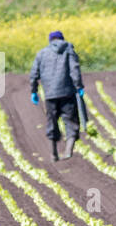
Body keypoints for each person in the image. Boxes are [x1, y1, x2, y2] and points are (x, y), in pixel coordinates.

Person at [30, 30, 85, 161]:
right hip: (67, 93)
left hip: (49, 94)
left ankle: (53, 153)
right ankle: (68, 150)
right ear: (62, 39)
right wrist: (79, 86)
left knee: (52, 122)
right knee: (70, 121)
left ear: (50, 40)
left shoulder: (42, 53)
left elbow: (33, 74)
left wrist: (34, 91)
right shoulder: (68, 50)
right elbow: (74, 69)